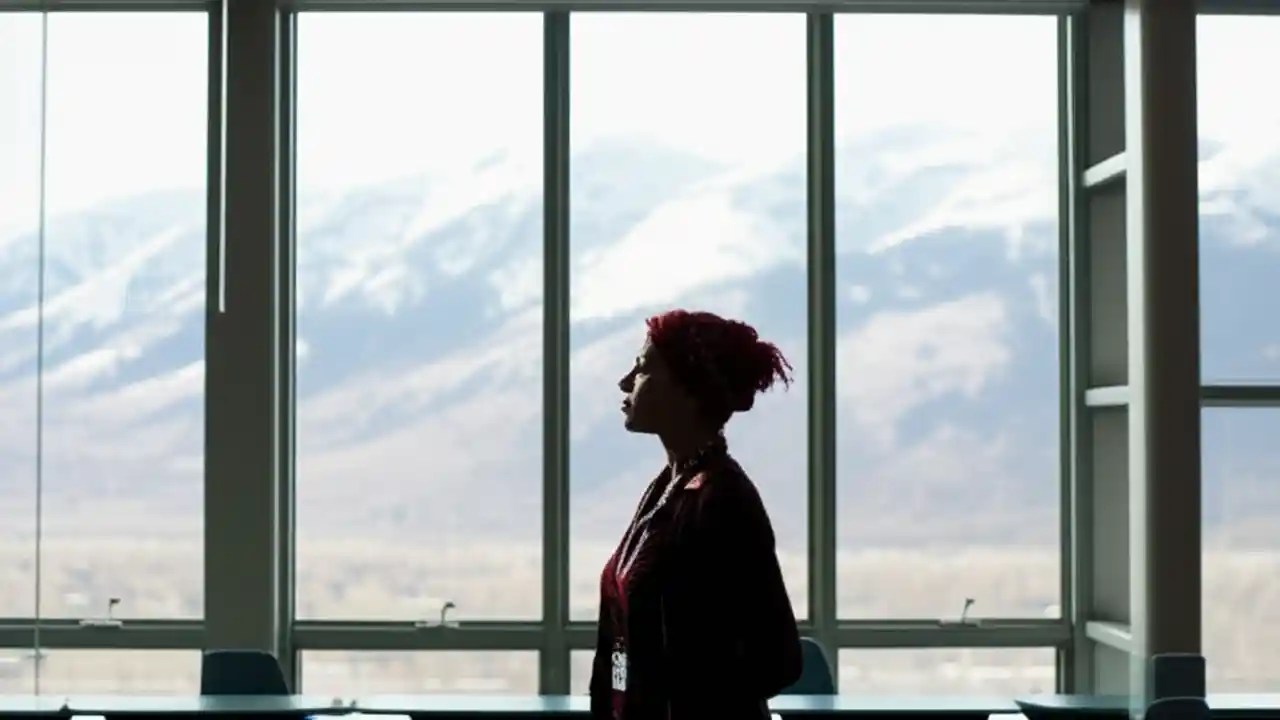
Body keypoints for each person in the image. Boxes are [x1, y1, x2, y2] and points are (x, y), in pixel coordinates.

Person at [589, 309, 803, 720]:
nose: (625, 382)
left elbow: (777, 658)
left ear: (686, 389)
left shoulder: (723, 498)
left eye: (643, 368)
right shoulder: (665, 489)